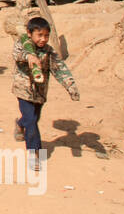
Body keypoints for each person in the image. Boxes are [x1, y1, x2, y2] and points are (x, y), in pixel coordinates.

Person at [12, 16, 80, 172]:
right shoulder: (22, 45)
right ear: (29, 33)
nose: (43, 39)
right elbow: (17, 55)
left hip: (40, 93)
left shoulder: (49, 51)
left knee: (33, 119)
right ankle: (34, 153)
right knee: (31, 120)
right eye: (39, 35)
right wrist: (29, 56)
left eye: (46, 36)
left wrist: (70, 86)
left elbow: (60, 69)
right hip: (23, 91)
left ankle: (19, 124)